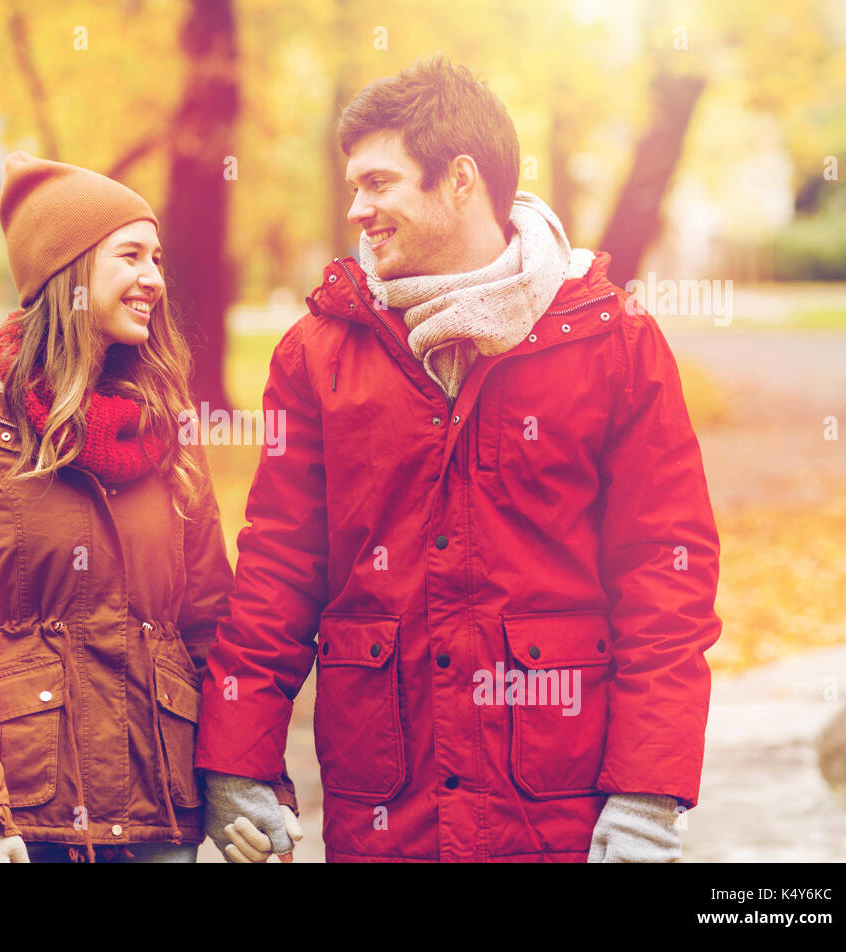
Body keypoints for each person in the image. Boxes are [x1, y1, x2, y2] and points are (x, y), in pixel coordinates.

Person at [194, 55, 722, 862]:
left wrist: (649, 795)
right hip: (385, 804)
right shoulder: (318, 352)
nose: (357, 210)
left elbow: (666, 572)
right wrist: (239, 764)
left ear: (461, 180)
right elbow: (280, 566)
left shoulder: (614, 343)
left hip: (558, 808)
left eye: (378, 184)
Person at [0, 152, 294, 862]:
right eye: (130, 256)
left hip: (157, 820)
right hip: (24, 827)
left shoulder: (165, 428)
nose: (155, 280)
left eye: (158, 259)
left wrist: (241, 777)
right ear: (65, 273)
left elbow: (207, 626)